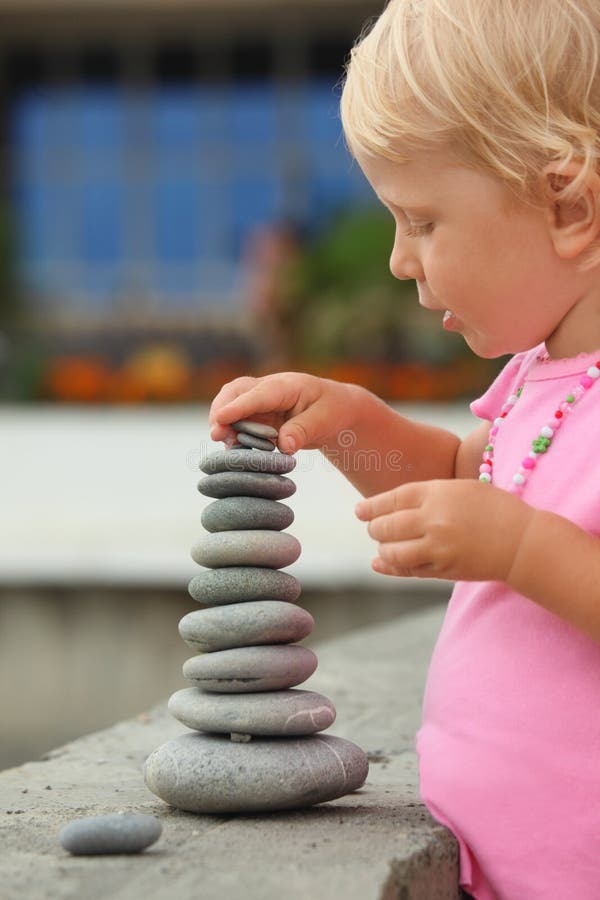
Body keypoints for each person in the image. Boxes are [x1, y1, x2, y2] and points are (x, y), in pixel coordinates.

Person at [209, 1, 600, 896]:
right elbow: (469, 479)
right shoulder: (542, 376)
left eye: (421, 220)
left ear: (570, 205)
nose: (398, 258)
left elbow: (504, 522)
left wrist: (519, 549)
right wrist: (348, 422)